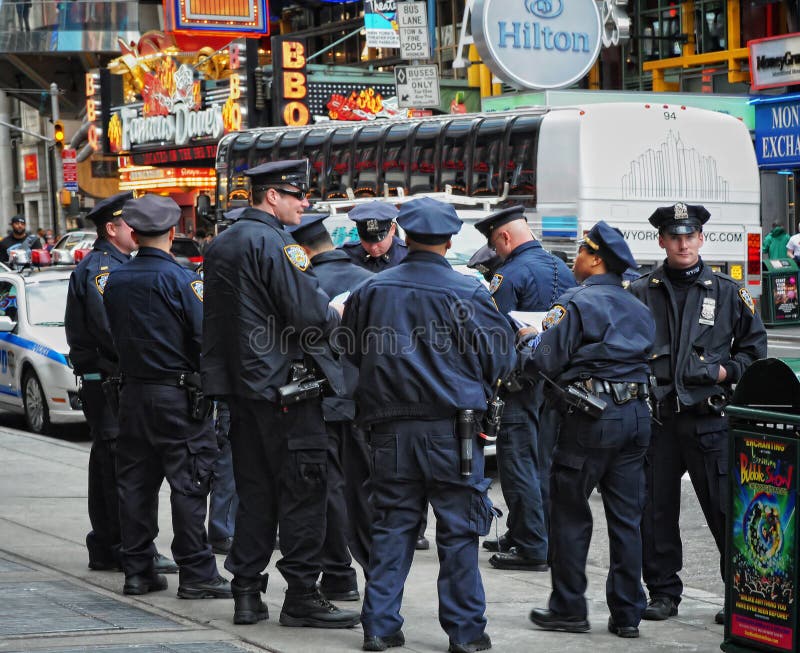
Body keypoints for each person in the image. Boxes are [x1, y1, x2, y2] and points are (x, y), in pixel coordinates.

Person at [343, 196, 515, 653]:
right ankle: (465, 634)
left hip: (389, 431)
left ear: (401, 233)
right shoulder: (469, 291)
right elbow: (502, 358)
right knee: (459, 533)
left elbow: (352, 353)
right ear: (451, 239)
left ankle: (379, 627)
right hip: (451, 432)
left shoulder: (371, 291)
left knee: (393, 526)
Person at [202, 160, 360, 629]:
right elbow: (309, 314)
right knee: (303, 493)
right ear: (272, 197)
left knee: (254, 494)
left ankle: (247, 593)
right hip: (286, 392)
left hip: (240, 391)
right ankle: (301, 596)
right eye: (296, 196)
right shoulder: (277, 244)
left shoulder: (222, 244)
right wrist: (336, 313)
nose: (303, 204)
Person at [630, 202, 767, 625]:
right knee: (655, 511)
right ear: (662, 241)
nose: (683, 243)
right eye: (675, 236)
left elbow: (754, 354)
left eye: (690, 236)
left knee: (727, 511)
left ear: (701, 239)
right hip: (659, 422)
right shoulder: (639, 292)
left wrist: (723, 370)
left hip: (709, 420)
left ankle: (743, 595)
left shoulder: (728, 292)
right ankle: (663, 592)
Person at [522, 221, 655, 638]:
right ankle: (628, 614)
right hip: (637, 415)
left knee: (569, 513)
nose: (575, 257)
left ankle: (569, 608)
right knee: (627, 518)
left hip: (591, 417)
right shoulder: (638, 305)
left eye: (582, 250)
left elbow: (544, 361)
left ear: (596, 259)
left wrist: (530, 340)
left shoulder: (575, 301)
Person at [103, 194, 231, 600]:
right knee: (190, 484)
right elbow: (204, 338)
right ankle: (197, 573)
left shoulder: (115, 278)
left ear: (134, 234)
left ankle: (138, 571)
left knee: (136, 486)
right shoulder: (181, 280)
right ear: (173, 234)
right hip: (177, 397)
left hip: (133, 395)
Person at [64, 190, 176, 577]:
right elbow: (112, 330)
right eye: (131, 223)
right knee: (120, 471)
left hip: (110, 381)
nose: (139, 229)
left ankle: (115, 545)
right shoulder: (103, 269)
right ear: (112, 228)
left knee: (114, 467)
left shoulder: (112, 264)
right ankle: (121, 547)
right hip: (109, 381)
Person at [473, 205, 576, 570]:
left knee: (517, 463)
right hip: (558, 384)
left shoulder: (509, 274)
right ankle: (527, 531)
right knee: (542, 462)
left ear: (504, 237)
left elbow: (495, 335)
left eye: (495, 245)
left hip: (520, 384)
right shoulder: (561, 268)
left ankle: (531, 545)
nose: (496, 253)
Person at [287, 212, 372, 597]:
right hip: (368, 403)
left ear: (302, 251)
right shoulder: (371, 282)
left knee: (330, 491)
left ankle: (340, 574)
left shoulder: (303, 286)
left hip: (320, 402)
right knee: (370, 492)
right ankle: (380, 577)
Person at [339, 200, 407, 272]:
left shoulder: (407, 256)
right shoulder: (346, 256)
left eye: (379, 240)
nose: (373, 248)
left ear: (392, 230)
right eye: (367, 240)